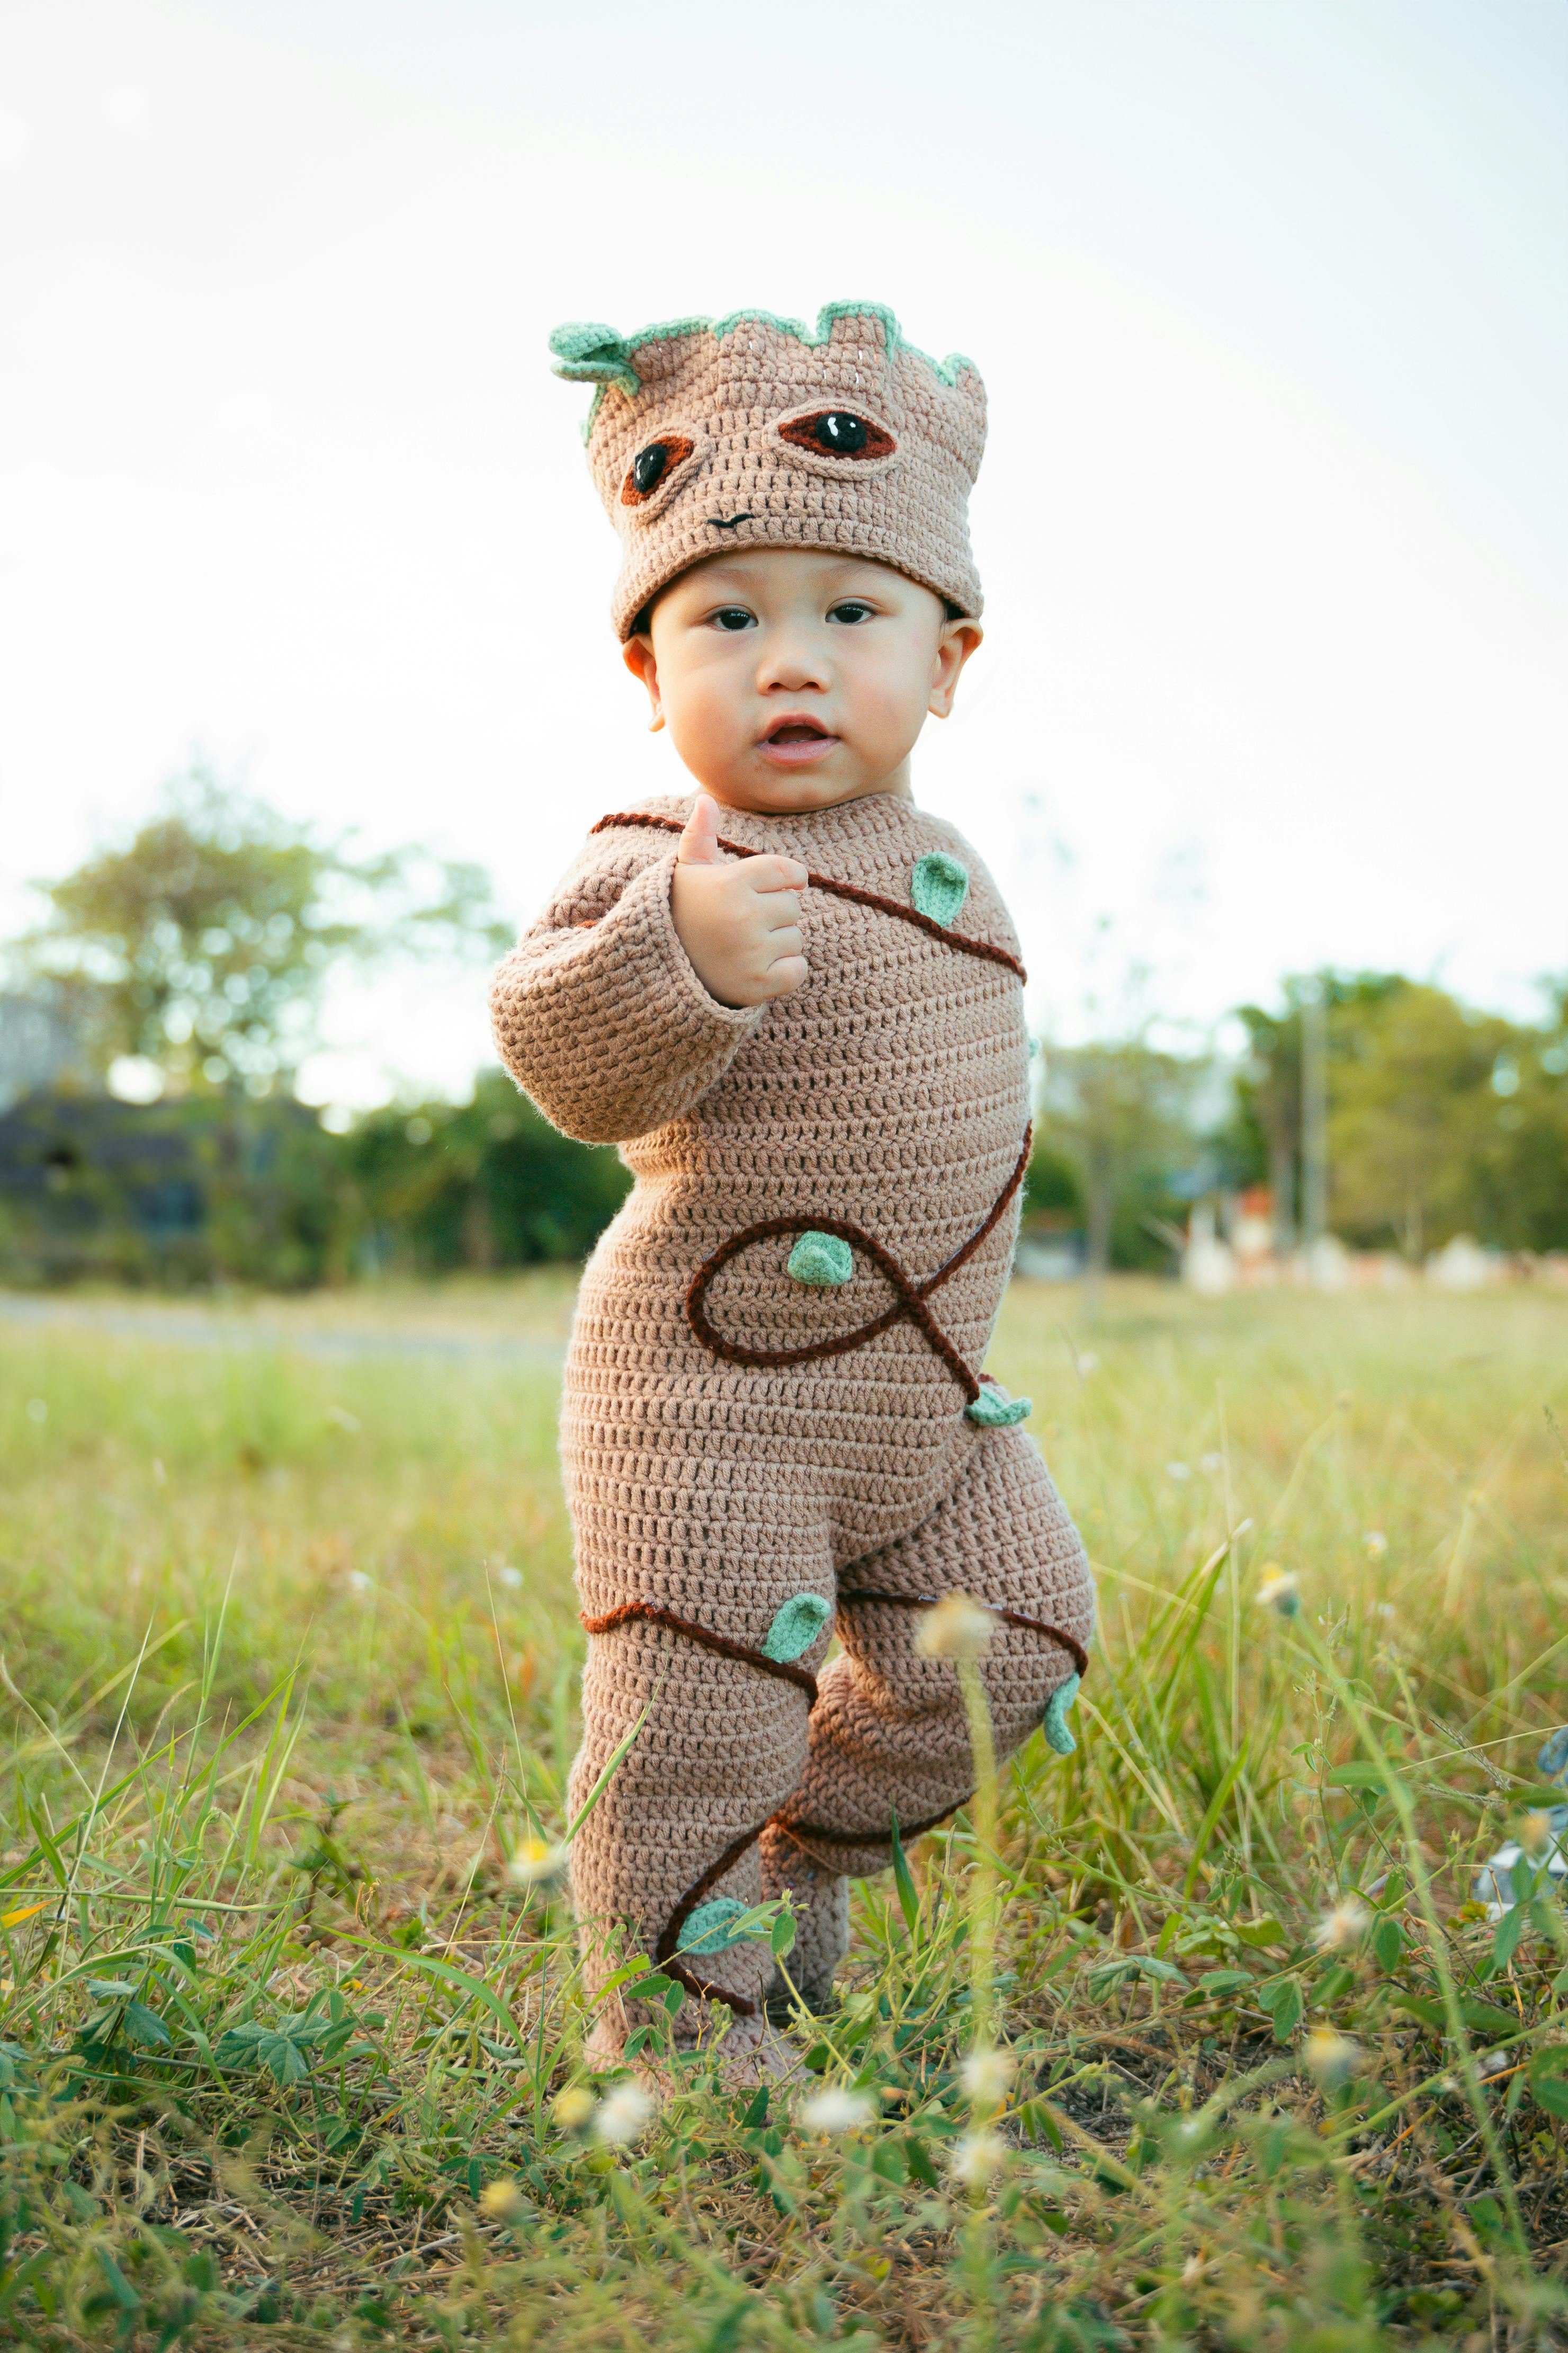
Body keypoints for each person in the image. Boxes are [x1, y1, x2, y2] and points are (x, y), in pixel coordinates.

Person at [491, 302, 1095, 2078]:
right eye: (727, 619)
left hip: (925, 1394)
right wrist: (675, 954)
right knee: (696, 1712)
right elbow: (560, 1051)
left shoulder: (953, 864)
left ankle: (801, 1854)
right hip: (712, 1396)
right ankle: (674, 2034)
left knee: (1014, 1649)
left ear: (950, 657)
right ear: (646, 670)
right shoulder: (655, 858)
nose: (790, 663)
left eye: (851, 614)